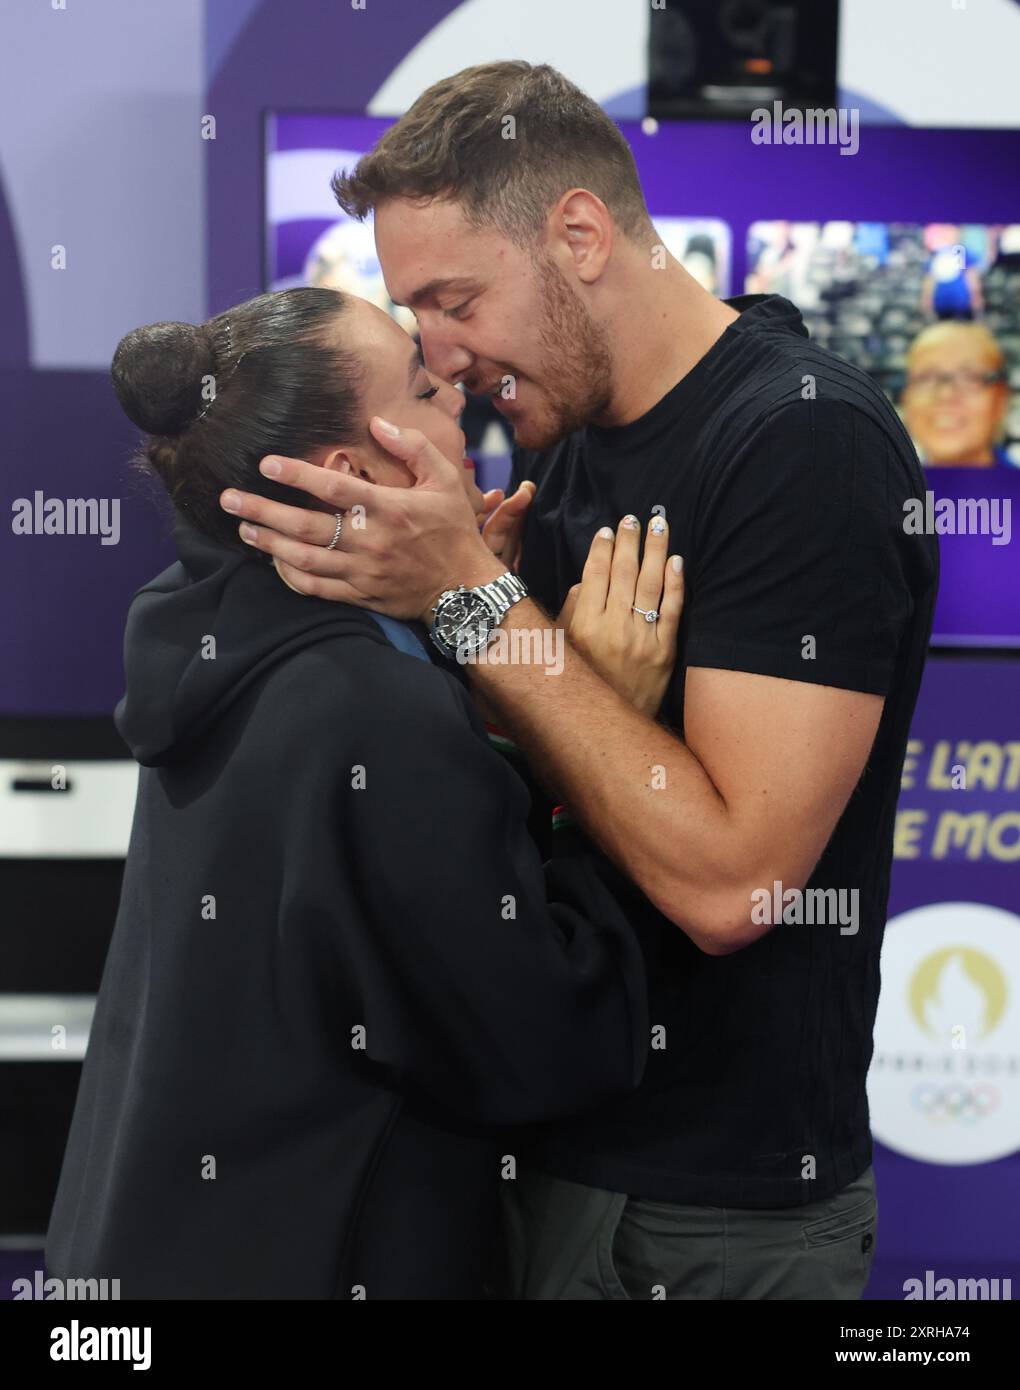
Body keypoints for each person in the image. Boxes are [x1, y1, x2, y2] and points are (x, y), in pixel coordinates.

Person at [220, 62, 941, 1301]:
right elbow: (559, 785)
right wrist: (495, 641)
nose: (439, 359)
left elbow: (734, 883)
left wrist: (485, 613)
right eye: (414, 318)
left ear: (580, 233)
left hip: (708, 1211)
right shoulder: (574, 445)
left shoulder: (802, 443)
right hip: (538, 1156)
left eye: (454, 301)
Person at [44, 286, 685, 1300]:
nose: (462, 406)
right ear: (353, 476)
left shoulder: (214, 636)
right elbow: (544, 1042)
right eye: (428, 393)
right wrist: (591, 746)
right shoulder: (364, 707)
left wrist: (460, 635)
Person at [901, 322, 1014, 468]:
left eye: (969, 378)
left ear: (1000, 399)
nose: (945, 395)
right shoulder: (886, 488)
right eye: (926, 377)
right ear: (906, 400)